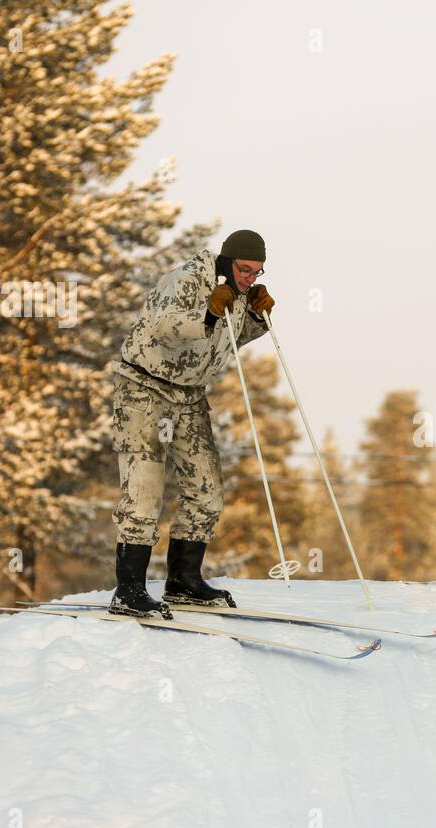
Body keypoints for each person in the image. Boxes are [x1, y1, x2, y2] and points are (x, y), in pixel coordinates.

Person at [108, 229, 276, 618]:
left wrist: (255, 315)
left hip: (189, 395)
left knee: (207, 489)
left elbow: (227, 339)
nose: (251, 277)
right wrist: (209, 311)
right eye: (245, 269)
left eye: (258, 272)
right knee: (145, 489)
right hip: (143, 388)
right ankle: (128, 589)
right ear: (228, 259)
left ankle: (183, 580)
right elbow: (166, 327)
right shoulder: (185, 280)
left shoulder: (233, 294)